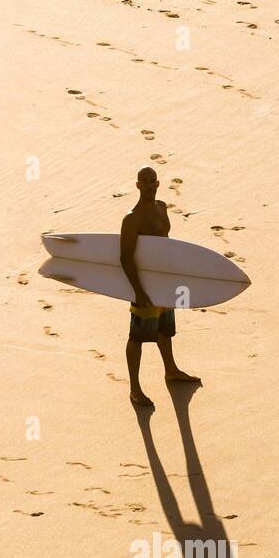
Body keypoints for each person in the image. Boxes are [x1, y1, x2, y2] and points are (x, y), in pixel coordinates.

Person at [120, 167, 200, 407]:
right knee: (137, 336)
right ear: (137, 185)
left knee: (165, 329)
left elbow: (166, 246)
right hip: (144, 284)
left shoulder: (162, 208)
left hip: (164, 282)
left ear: (157, 184)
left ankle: (171, 370)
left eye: (152, 180)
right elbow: (125, 257)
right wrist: (138, 290)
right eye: (143, 181)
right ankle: (134, 388)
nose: (148, 185)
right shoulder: (132, 219)